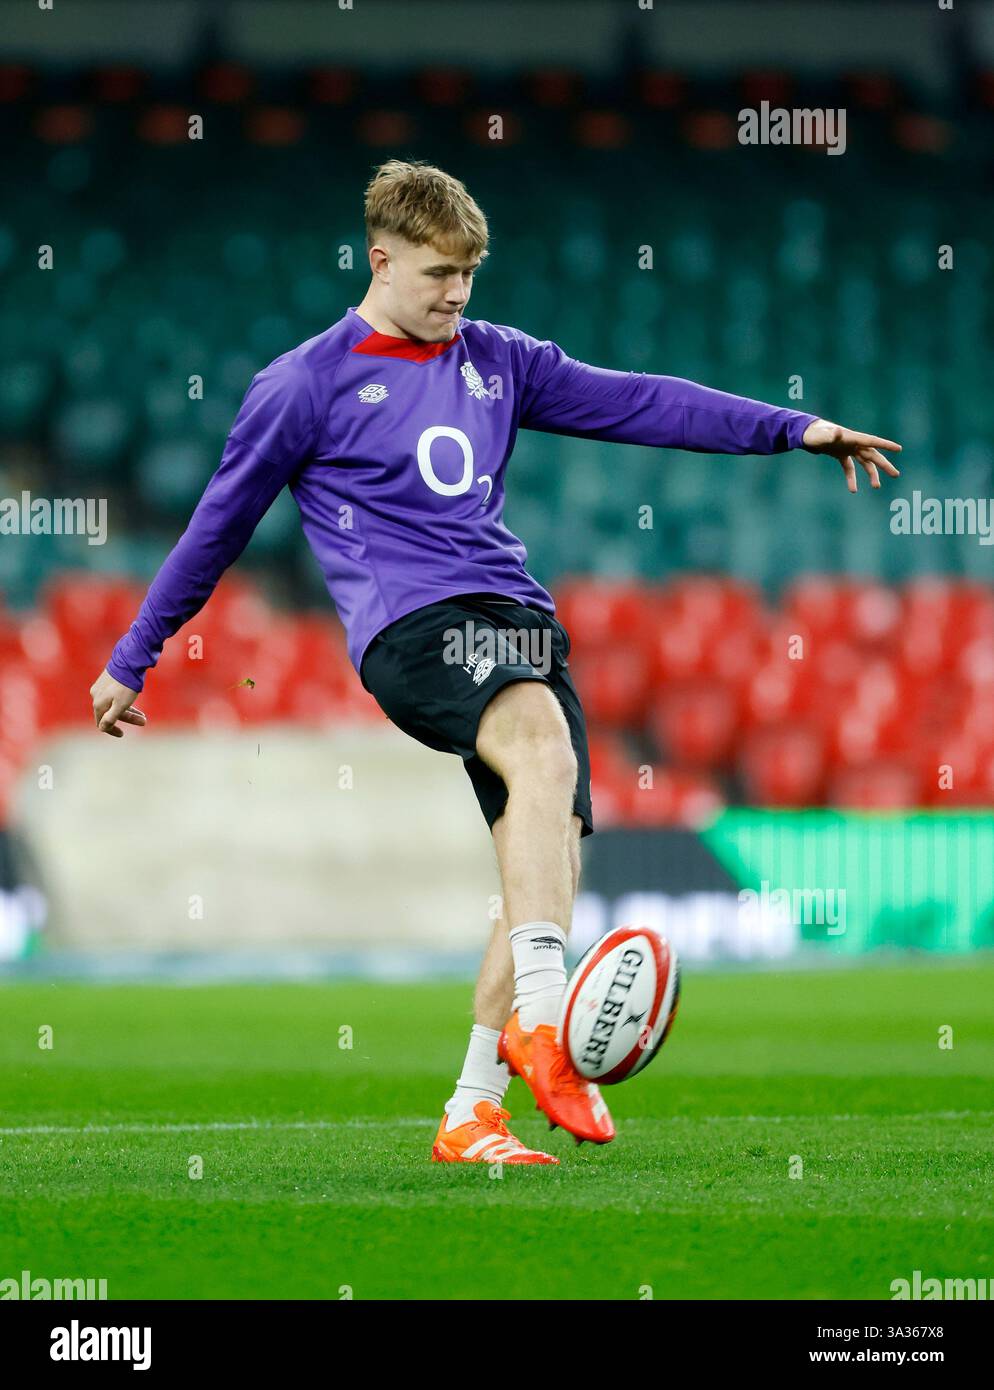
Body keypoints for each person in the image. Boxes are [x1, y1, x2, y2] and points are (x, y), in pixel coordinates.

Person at [90, 159, 902, 1165]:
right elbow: (217, 524)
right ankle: (547, 1020)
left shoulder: (498, 359)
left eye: (470, 273)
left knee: (548, 852)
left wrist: (793, 428)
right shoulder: (304, 384)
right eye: (438, 274)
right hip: (413, 626)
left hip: (518, 621)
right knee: (541, 746)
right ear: (380, 261)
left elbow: (641, 401)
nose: (458, 293)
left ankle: (474, 1108)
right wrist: (136, 654)